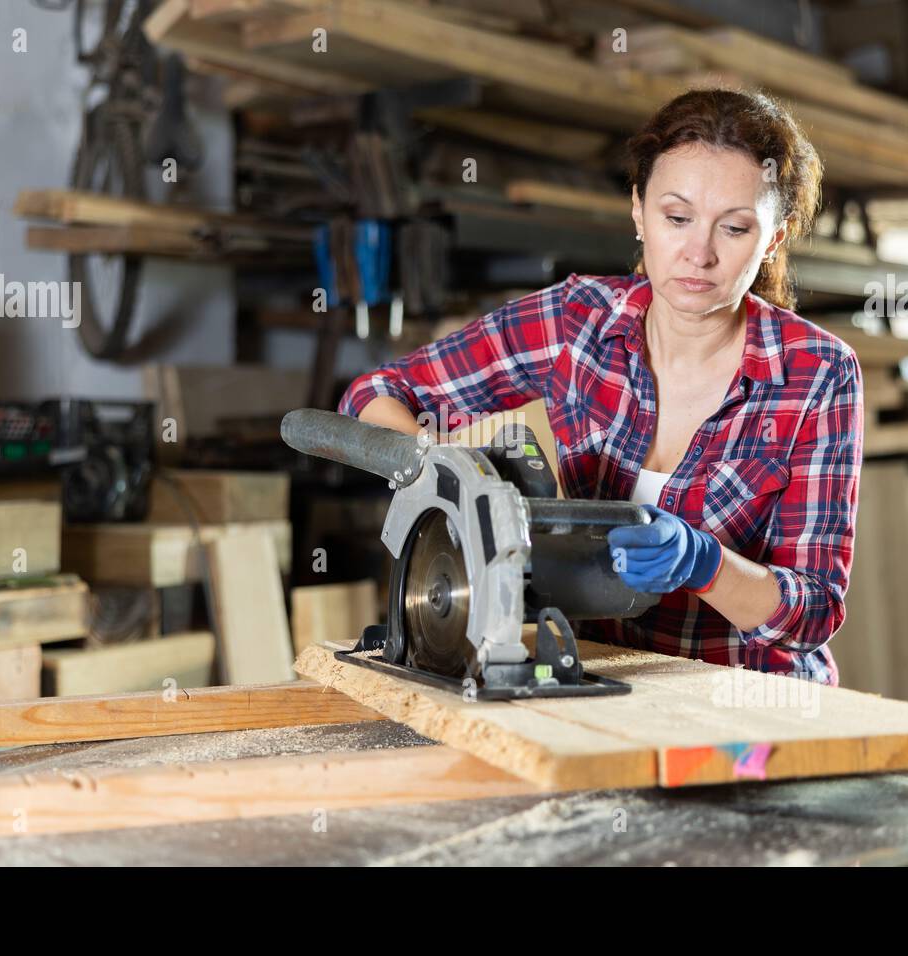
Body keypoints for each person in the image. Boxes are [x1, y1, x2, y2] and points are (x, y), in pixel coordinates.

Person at [337, 89, 864, 686]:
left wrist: (706, 564)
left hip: (751, 701)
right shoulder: (577, 322)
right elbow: (377, 393)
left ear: (774, 237)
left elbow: (814, 611)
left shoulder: (817, 373)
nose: (699, 252)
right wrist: (448, 481)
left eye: (735, 227)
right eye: (676, 217)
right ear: (638, 211)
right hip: (607, 687)